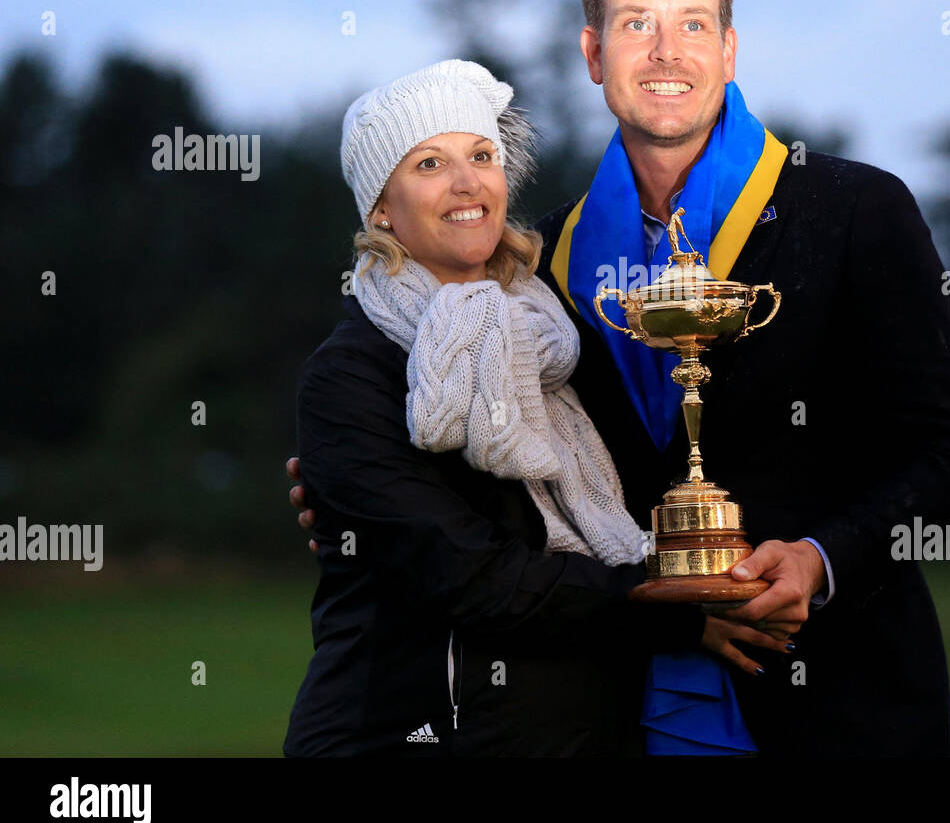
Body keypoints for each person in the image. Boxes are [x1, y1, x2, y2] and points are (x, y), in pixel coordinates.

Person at [292, 0, 950, 757]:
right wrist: (342, 494)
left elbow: (946, 461)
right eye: (636, 25)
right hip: (620, 706)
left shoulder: (858, 212)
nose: (667, 52)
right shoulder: (542, 266)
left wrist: (819, 558)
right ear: (593, 54)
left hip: (836, 694)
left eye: (693, 24)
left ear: (729, 49)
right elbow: (489, 492)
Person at [281, 58, 795, 757]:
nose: (467, 182)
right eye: (430, 164)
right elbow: (471, 578)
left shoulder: (559, 337)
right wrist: (668, 606)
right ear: (380, 206)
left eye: (482, 156)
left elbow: (647, 485)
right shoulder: (350, 375)